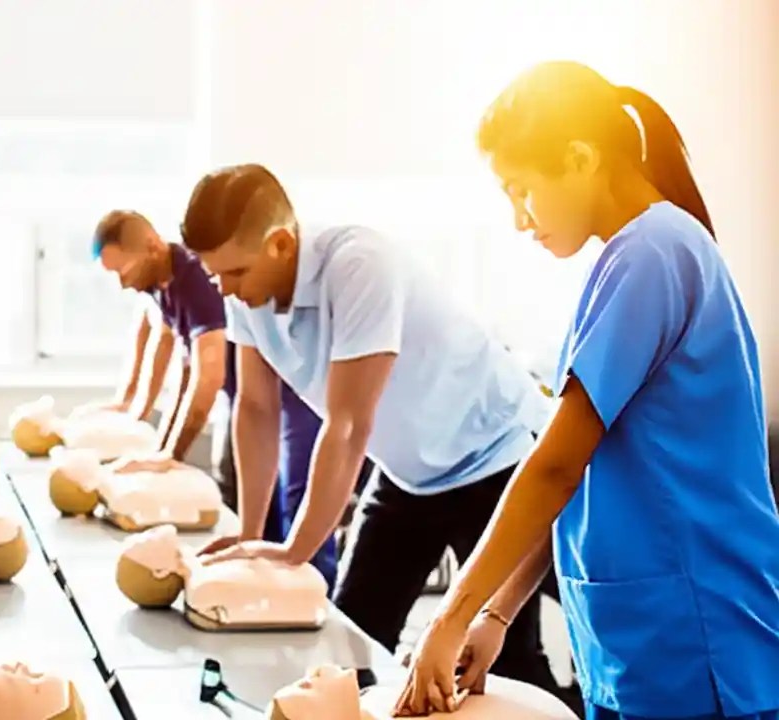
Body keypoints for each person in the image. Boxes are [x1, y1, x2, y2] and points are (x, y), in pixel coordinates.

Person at [395, 61, 779, 720]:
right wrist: (496, 613)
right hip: (643, 637)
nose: (519, 220)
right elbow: (577, 472)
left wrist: (447, 619)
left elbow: (555, 466)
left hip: (695, 638)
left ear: (580, 158)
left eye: (522, 191)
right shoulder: (633, 258)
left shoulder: (654, 252)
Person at [182, 163, 578, 708]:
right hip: (407, 476)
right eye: (214, 277)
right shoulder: (245, 294)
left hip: (493, 461)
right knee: (351, 647)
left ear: (280, 244)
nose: (225, 290)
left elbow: (347, 425)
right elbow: (254, 409)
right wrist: (253, 537)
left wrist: (296, 549)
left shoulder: (358, 264)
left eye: (235, 273)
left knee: (501, 665)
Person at [89, 210, 338, 588]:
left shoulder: (194, 278)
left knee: (299, 498)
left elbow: (208, 376)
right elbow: (172, 358)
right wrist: (140, 420)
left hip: (293, 395)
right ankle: (265, 590)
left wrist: (170, 456)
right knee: (253, 504)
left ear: (152, 247)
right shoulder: (159, 285)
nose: (123, 284)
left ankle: (316, 598)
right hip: (248, 399)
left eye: (124, 271)